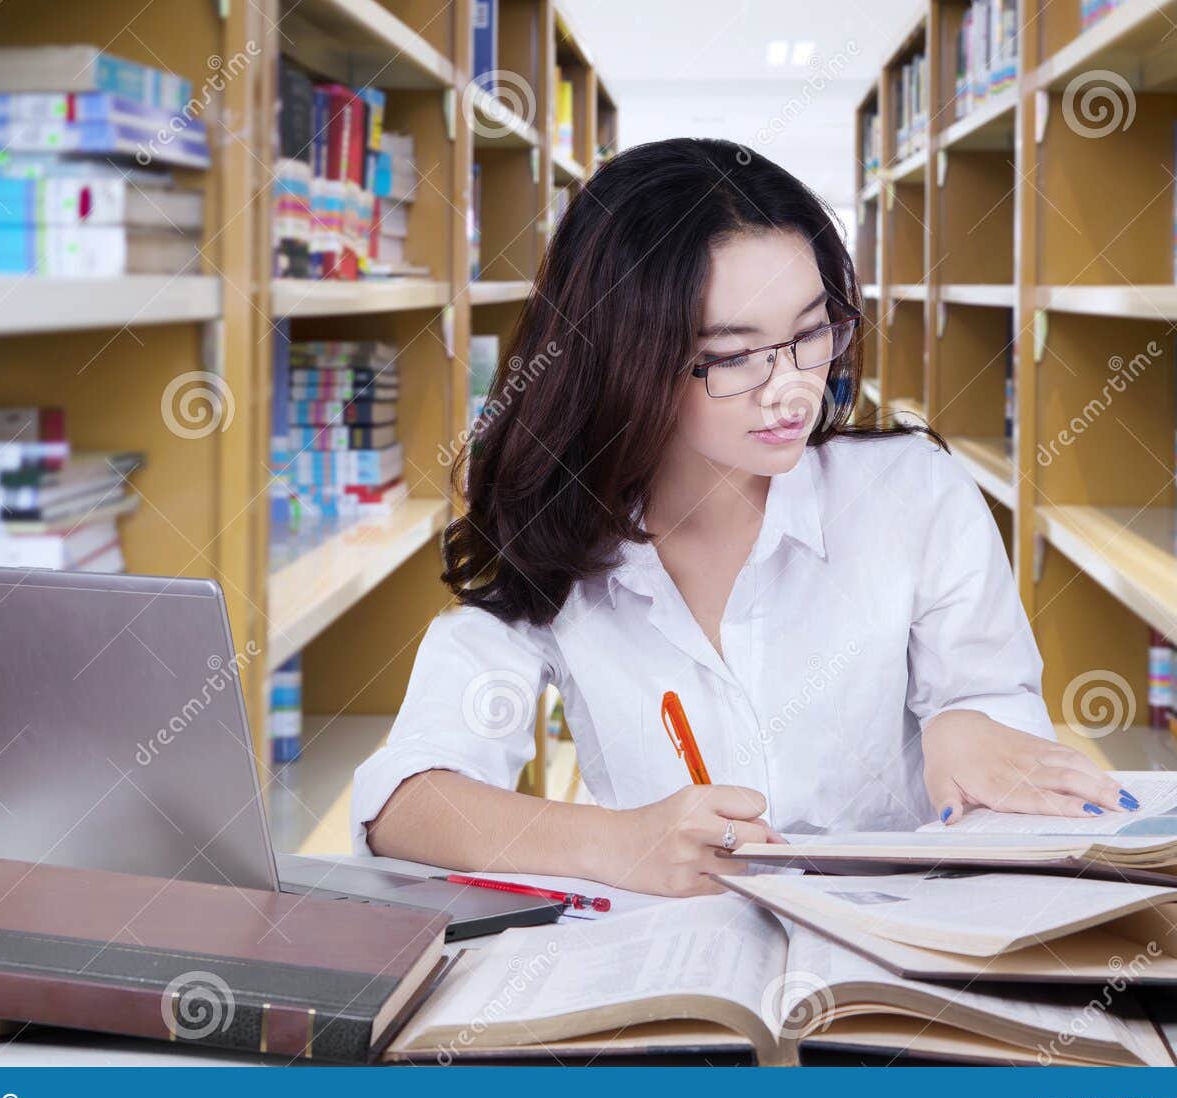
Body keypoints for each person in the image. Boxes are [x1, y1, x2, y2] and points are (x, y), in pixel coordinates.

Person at [352, 137, 1134, 896]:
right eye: (733, 355)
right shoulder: (556, 533)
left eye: (809, 333)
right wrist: (622, 843)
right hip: (678, 984)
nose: (790, 388)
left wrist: (966, 723)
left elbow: (1004, 729)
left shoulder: (912, 492)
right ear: (626, 355)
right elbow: (405, 802)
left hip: (898, 978)